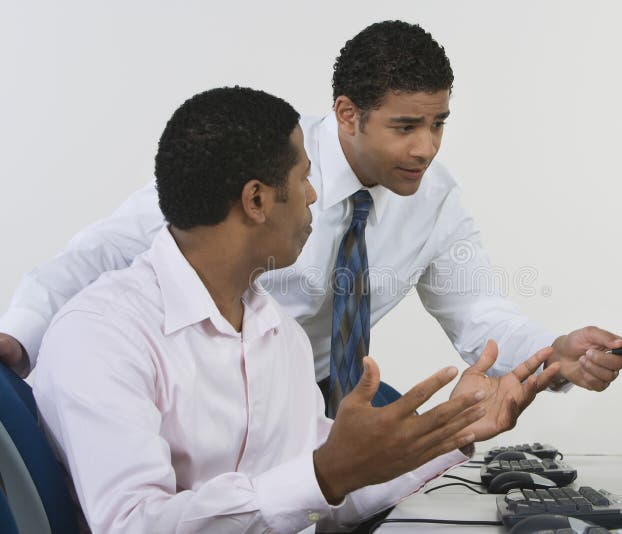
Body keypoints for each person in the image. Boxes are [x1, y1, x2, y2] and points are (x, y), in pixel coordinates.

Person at [1, 20, 622, 402]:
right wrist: (19, 337)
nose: (427, 147)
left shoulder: (436, 197)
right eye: (406, 126)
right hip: (227, 400)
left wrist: (555, 351)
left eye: (440, 123)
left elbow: (479, 311)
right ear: (347, 114)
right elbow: (101, 255)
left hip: (318, 401)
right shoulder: (266, 168)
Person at [33, 86, 561, 533]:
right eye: (304, 178)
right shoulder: (102, 337)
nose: (313, 196)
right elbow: (133, 523)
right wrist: (325, 475)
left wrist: (456, 428)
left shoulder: (275, 332)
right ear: (257, 201)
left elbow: (336, 481)